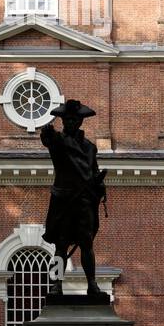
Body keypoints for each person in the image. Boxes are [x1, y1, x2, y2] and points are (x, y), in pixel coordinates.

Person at [40, 99, 108, 299]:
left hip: (84, 201)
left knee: (87, 243)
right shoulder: (58, 141)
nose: (70, 122)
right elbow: (48, 141)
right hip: (64, 201)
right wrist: (47, 133)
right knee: (60, 246)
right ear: (62, 121)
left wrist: (99, 183)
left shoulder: (90, 147)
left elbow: (93, 171)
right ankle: (56, 285)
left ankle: (92, 284)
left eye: (74, 119)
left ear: (80, 122)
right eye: (67, 119)